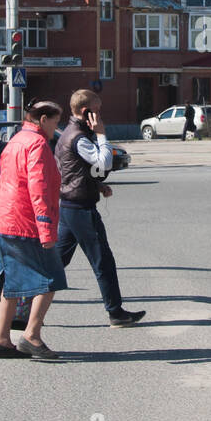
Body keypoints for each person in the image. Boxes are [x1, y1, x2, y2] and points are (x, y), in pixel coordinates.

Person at [54, 89, 145, 327]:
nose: (100, 115)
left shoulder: (69, 133)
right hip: (80, 209)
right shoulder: (79, 137)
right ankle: (116, 312)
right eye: (98, 110)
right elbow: (104, 161)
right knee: (103, 261)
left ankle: (24, 305)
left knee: (56, 261)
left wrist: (96, 184)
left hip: (70, 205)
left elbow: (72, 171)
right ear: (87, 112)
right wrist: (102, 134)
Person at [0, 100, 65, 360]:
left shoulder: (16, 140)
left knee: (12, 282)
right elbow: (39, 190)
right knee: (52, 278)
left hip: (4, 219)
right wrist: (46, 231)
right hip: (25, 223)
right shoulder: (37, 144)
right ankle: (31, 336)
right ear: (43, 119)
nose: (56, 129)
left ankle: (2, 340)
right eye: (55, 122)